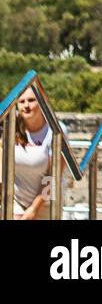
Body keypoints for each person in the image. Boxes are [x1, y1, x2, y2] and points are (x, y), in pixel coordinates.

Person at [9, 89, 60, 219]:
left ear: (42, 103)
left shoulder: (55, 130)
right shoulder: (10, 128)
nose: (26, 105)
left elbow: (53, 176)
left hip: (46, 203)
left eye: (31, 100)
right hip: (16, 201)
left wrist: (34, 209)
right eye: (21, 101)